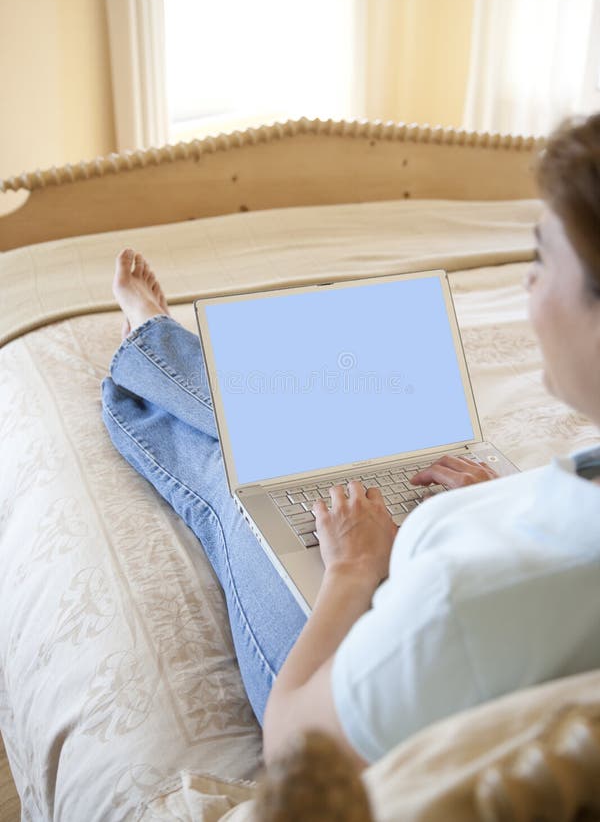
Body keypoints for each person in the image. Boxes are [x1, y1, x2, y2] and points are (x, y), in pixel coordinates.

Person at [102, 113, 600, 771]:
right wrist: (503, 506)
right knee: (272, 454)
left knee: (237, 472)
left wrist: (352, 569)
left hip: (330, 700)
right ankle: (154, 350)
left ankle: (150, 347)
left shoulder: (463, 602)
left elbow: (294, 745)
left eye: (539, 258)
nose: (527, 284)